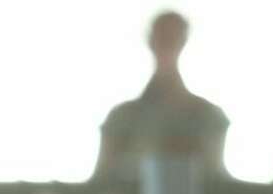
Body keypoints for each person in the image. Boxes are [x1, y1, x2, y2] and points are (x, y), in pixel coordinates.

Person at [94, 9, 229, 178]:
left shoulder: (208, 115)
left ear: (182, 42)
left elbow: (216, 178)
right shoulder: (122, 117)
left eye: (172, 38)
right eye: (162, 37)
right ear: (151, 42)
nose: (167, 45)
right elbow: (101, 179)